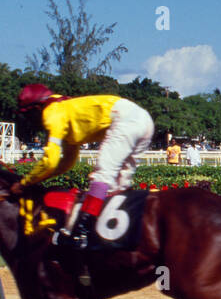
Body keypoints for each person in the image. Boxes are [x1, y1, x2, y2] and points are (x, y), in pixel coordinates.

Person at [13, 84, 155, 250]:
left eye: (28, 115)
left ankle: (82, 230)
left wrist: (25, 182)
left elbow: (50, 162)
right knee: (120, 184)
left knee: (103, 173)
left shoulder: (51, 113)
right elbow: (66, 163)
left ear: (37, 108)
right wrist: (40, 178)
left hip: (125, 119)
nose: (29, 120)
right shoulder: (64, 111)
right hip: (144, 120)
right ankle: (120, 236)